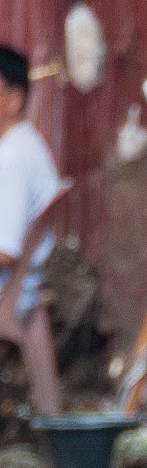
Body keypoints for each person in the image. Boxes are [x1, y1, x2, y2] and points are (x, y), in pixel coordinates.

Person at [0, 45, 62, 322]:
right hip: (28, 286)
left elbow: (6, 251)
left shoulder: (11, 157)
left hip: (14, 293)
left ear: (14, 99)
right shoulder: (26, 143)